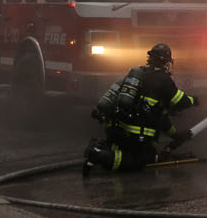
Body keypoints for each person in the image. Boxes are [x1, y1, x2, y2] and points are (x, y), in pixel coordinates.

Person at [83, 43, 198, 176]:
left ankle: (100, 147)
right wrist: (195, 100)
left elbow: (161, 118)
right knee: (140, 161)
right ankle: (99, 156)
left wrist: (176, 135)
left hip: (118, 130)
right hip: (136, 136)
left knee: (126, 150)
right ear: (166, 61)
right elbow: (180, 100)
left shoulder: (139, 74)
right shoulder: (163, 79)